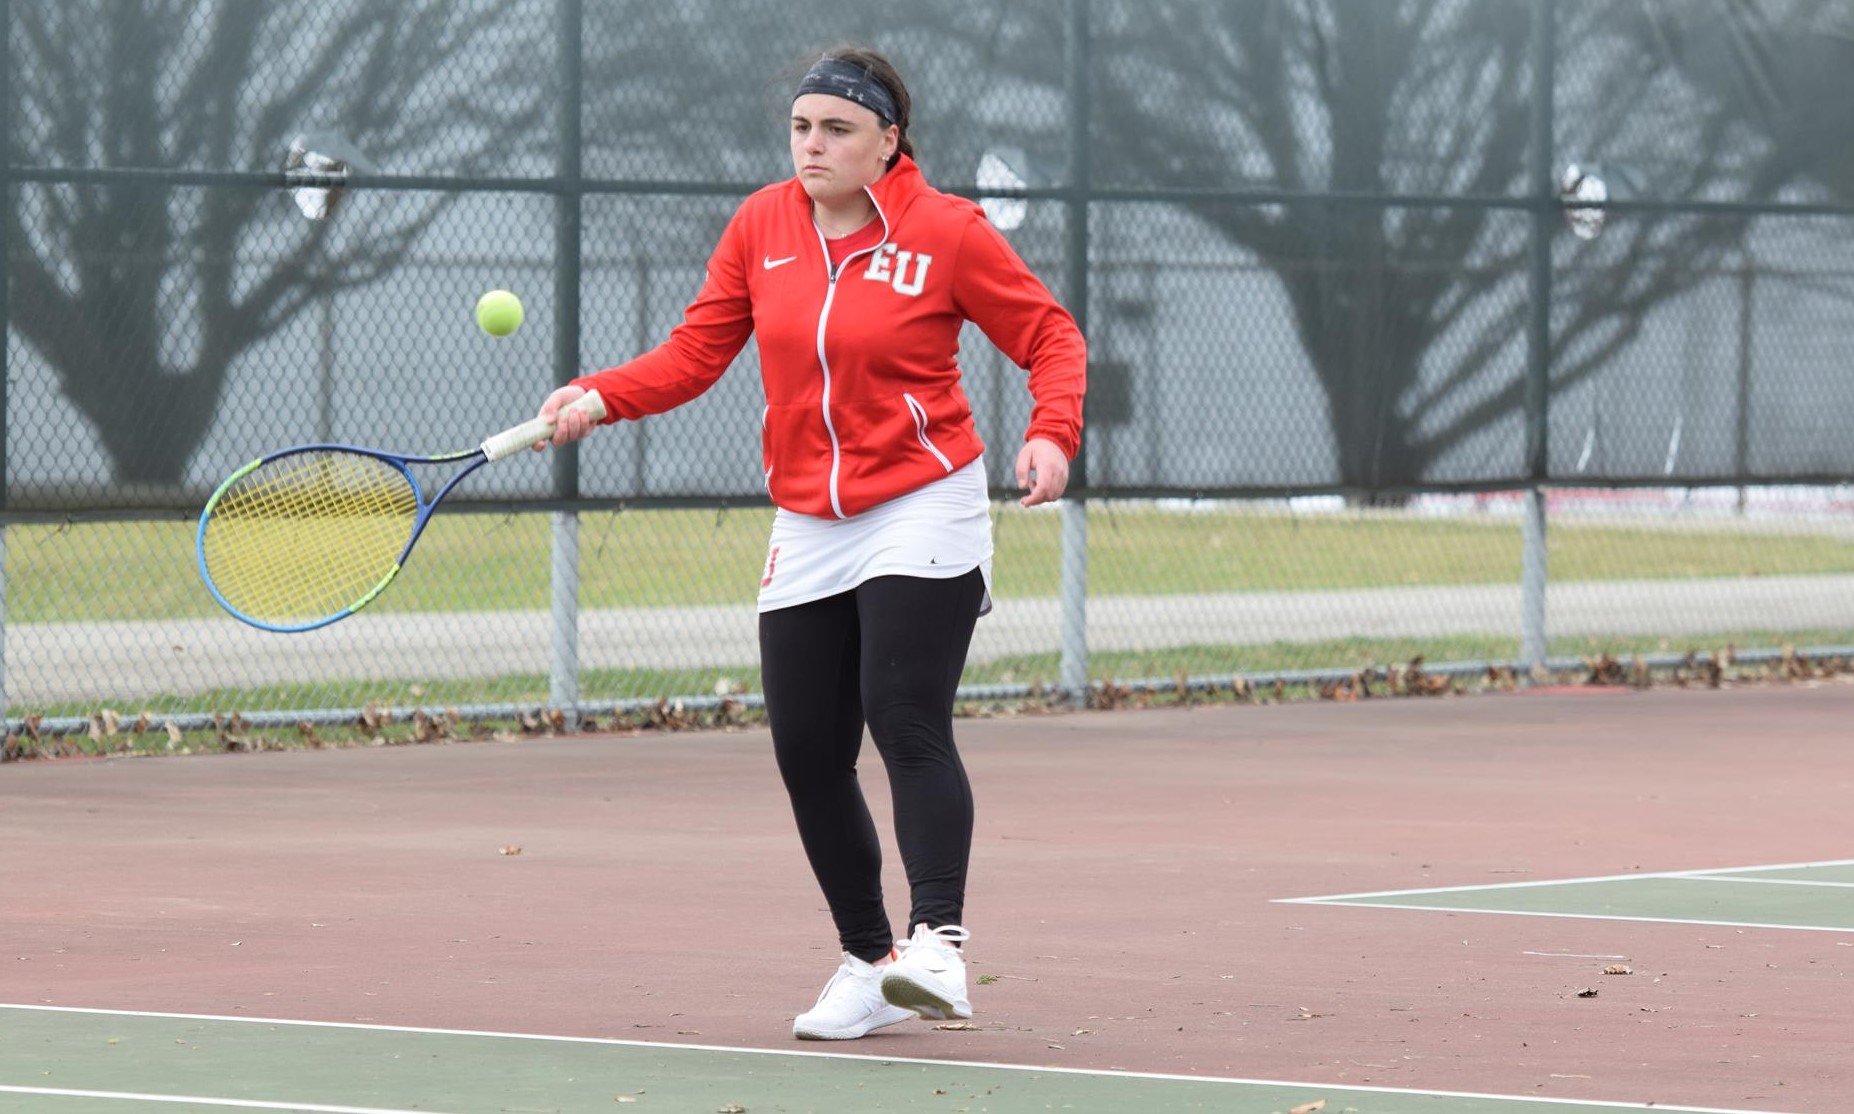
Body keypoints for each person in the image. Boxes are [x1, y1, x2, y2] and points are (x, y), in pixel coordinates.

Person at [531, 46, 1085, 1041]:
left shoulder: (949, 232)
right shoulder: (762, 225)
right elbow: (698, 351)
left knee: (900, 713)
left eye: (836, 128)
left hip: (924, 500)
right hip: (809, 515)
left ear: (887, 143)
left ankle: (939, 948)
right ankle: (871, 962)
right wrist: (601, 394)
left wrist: (1051, 432)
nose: (812, 145)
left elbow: (1050, 334)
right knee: (806, 749)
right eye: (801, 127)